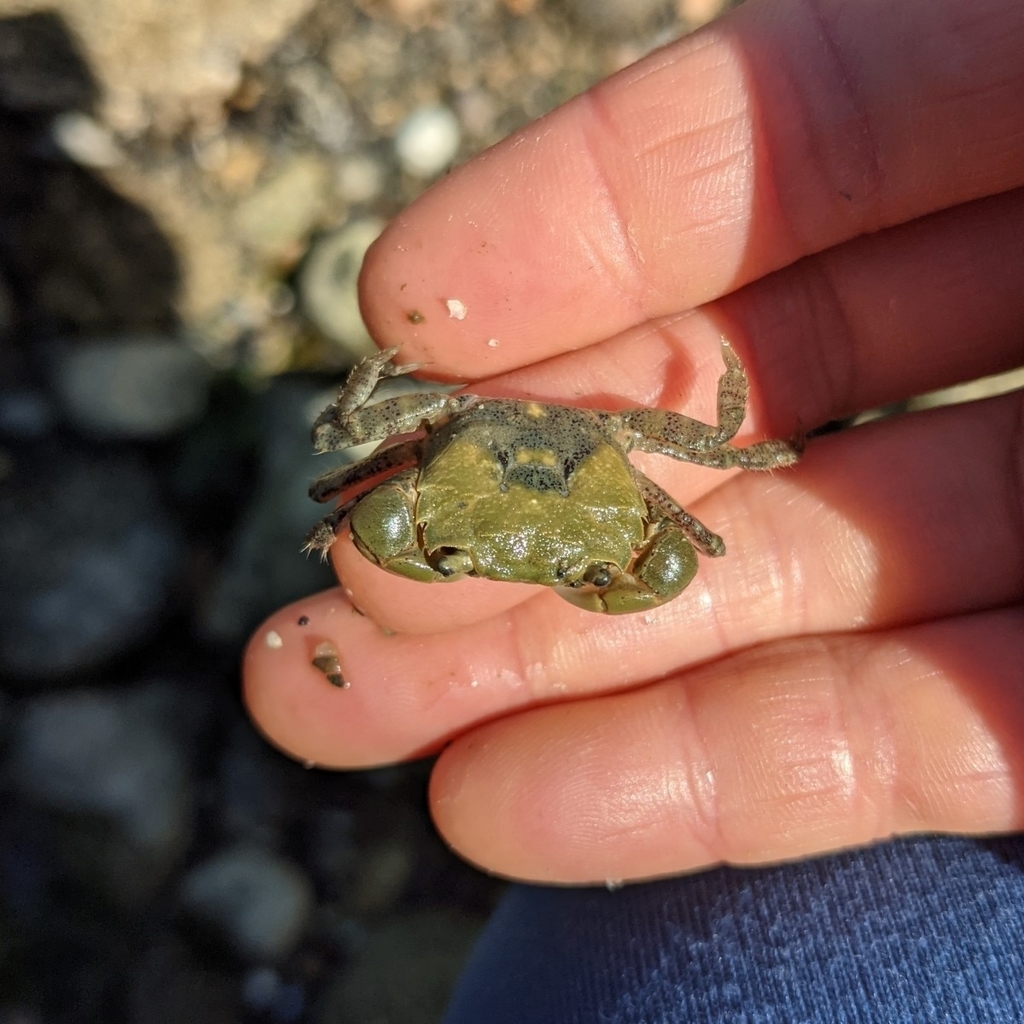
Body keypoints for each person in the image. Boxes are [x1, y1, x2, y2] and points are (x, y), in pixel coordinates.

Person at [244, 0, 1024, 1016]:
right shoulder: (583, 469)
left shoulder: (488, 463)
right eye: (469, 559)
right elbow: (346, 445)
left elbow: (727, 471)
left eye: (577, 573)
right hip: (531, 452)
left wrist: (441, 528)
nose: (525, 578)